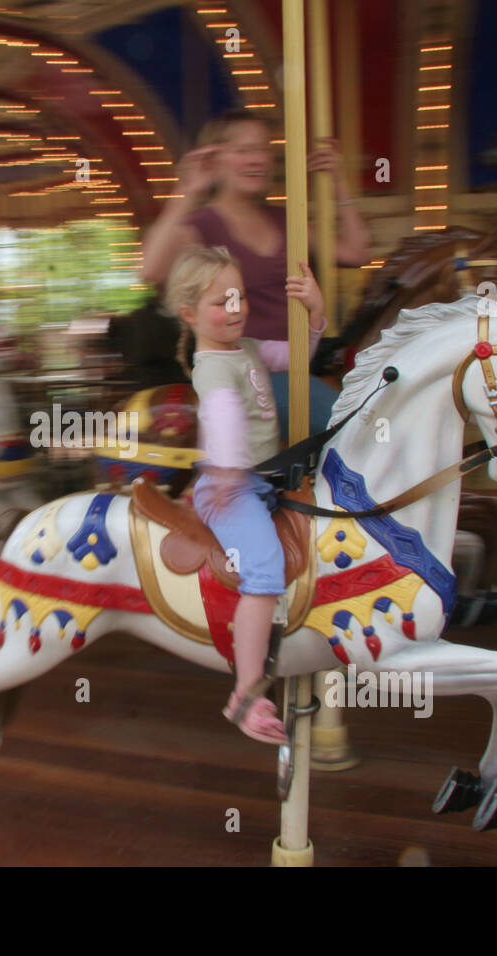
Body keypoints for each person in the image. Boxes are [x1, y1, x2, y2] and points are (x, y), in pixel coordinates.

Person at [169, 244, 326, 745]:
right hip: (229, 487)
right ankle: (246, 693)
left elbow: (301, 353)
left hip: (261, 480)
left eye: (238, 297)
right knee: (264, 570)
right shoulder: (213, 367)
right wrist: (235, 465)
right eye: (221, 302)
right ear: (190, 313)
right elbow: (222, 416)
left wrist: (315, 309)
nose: (235, 309)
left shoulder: (249, 348)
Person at [142, 109, 369, 437]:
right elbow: (150, 268)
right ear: (217, 158)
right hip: (244, 368)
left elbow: (357, 252)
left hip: (292, 362)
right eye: (243, 150)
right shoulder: (202, 225)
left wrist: (339, 182)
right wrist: (188, 191)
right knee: (353, 429)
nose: (258, 159)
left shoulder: (287, 220)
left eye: (264, 149)